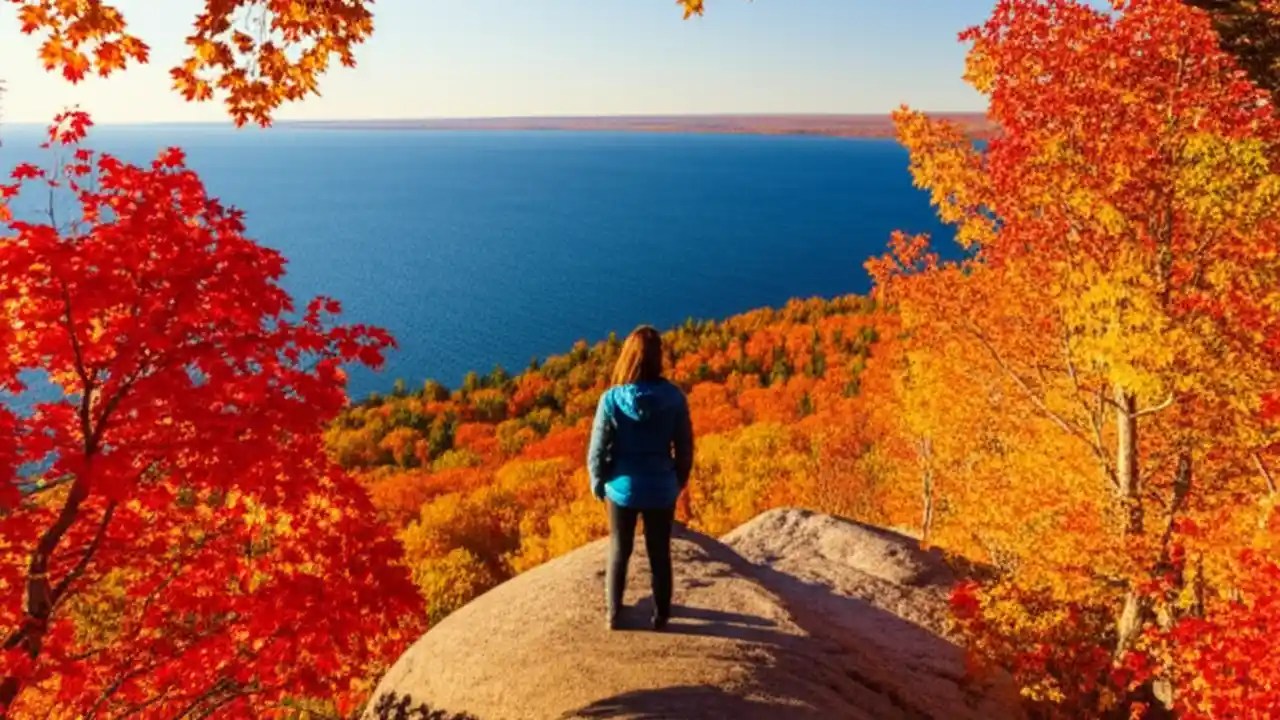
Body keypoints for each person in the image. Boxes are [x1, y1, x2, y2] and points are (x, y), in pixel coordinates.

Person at [587, 325, 694, 631]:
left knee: (620, 549)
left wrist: (597, 482)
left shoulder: (611, 400)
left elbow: (597, 449)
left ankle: (614, 614)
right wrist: (678, 481)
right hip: (661, 487)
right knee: (660, 553)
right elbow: (684, 446)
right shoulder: (674, 398)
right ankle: (661, 617)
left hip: (622, 487)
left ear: (627, 358)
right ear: (658, 358)